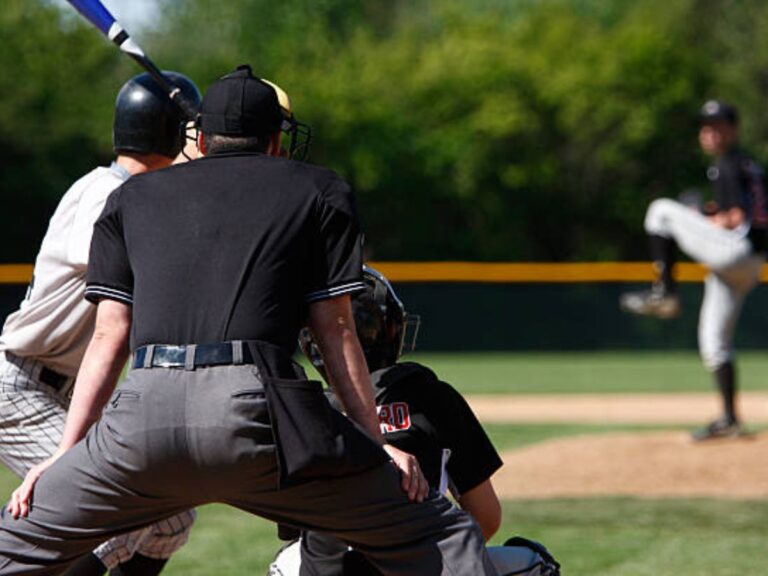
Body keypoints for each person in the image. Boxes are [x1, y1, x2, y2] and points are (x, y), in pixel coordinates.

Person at [0, 64, 494, 575]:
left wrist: (66, 456)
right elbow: (336, 330)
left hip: (141, 418)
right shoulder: (319, 190)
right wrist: (375, 443)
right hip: (261, 419)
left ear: (201, 139)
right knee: (445, 536)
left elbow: (111, 335)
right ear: (276, 140)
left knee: (16, 544)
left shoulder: (129, 197)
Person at [0, 71, 201, 576]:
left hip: (65, 391)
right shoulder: (104, 192)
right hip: (20, 385)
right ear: (170, 135)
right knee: (118, 509)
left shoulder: (135, 196)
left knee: (173, 517)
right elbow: (148, 263)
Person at [270, 265, 560, 576]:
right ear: (390, 330)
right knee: (535, 562)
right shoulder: (430, 396)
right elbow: (486, 518)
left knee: (284, 562)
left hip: (332, 571)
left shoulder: (303, 412)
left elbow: (299, 532)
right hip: (419, 567)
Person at [620, 100, 767, 441]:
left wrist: (699, 216)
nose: (709, 132)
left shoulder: (727, 163)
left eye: (717, 126)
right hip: (750, 263)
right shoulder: (752, 166)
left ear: (733, 129)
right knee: (715, 342)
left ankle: (664, 292)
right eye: (705, 126)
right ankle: (729, 419)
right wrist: (711, 216)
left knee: (660, 211)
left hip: (735, 251)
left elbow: (734, 218)